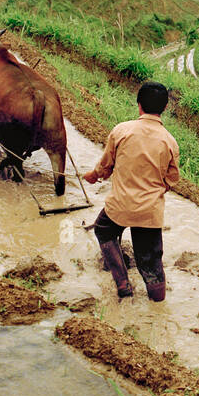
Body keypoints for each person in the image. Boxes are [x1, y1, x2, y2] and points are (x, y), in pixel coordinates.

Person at [83, 81, 179, 301]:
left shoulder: (122, 131)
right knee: (151, 261)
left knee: (104, 230)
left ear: (139, 105)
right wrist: (154, 190)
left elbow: (106, 166)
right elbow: (172, 179)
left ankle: (122, 282)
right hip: (150, 213)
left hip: (120, 206)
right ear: (164, 108)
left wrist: (94, 175)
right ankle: (158, 300)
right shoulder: (169, 141)